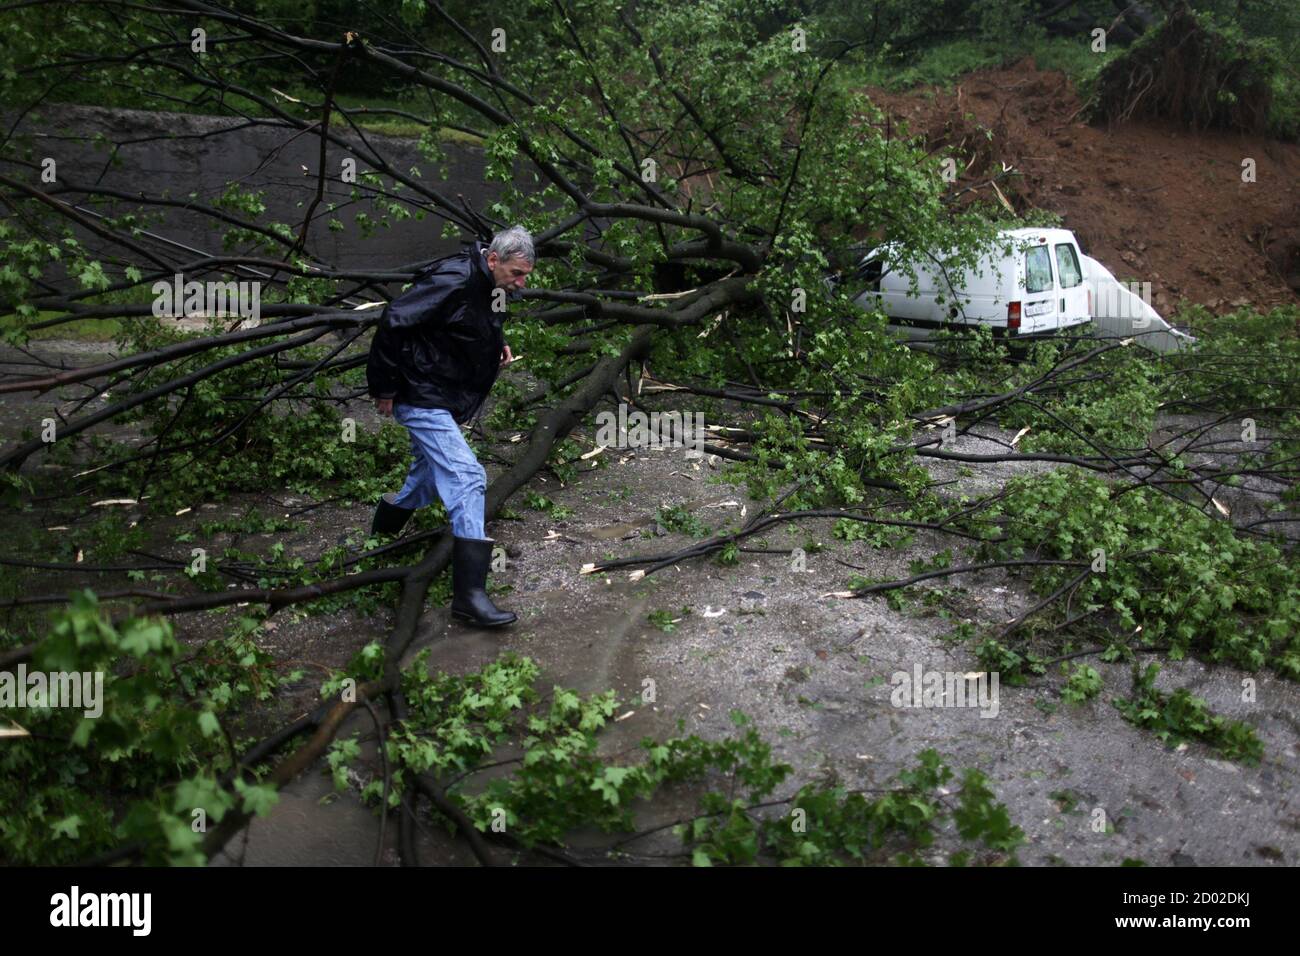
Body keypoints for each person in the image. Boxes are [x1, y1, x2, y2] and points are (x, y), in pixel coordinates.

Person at [366, 226, 534, 628]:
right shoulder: (453, 279)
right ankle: (469, 598)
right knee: (467, 476)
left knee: (425, 479)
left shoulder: (493, 284)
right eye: (516, 274)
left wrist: (498, 344)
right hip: (419, 393)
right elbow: (394, 319)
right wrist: (385, 387)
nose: (520, 283)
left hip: (440, 391)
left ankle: (380, 538)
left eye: (525, 275)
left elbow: (484, 317)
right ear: (493, 260)